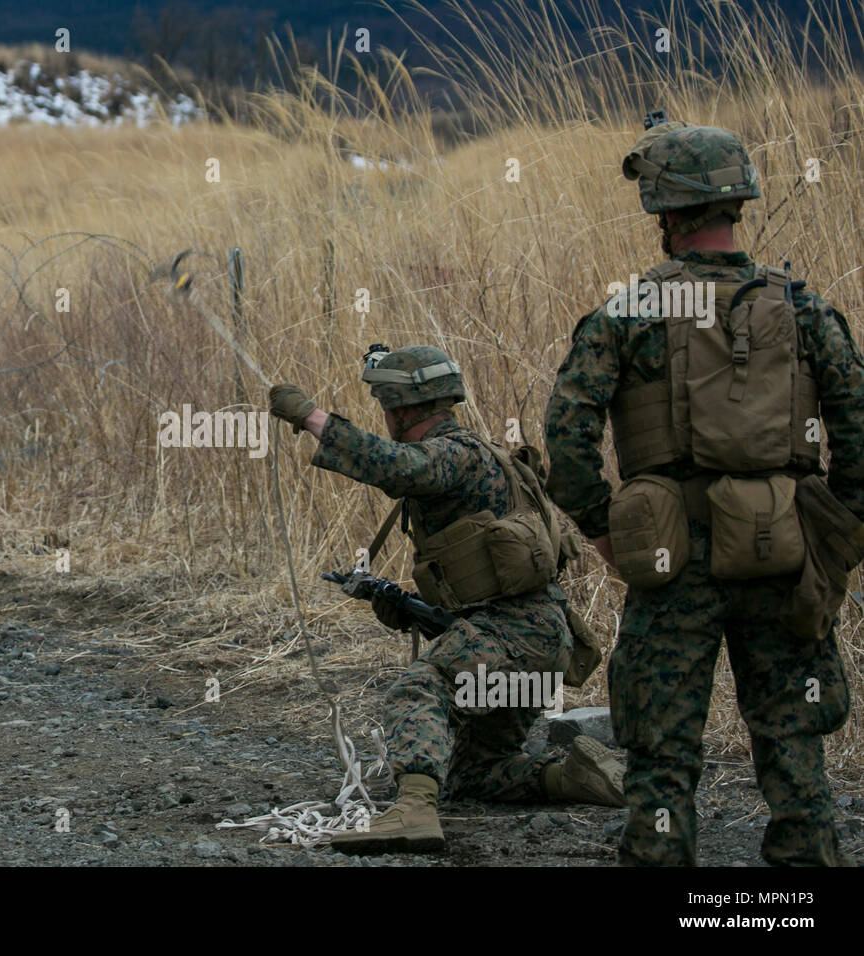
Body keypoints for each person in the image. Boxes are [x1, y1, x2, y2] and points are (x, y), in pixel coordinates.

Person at [544, 117, 864, 866]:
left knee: (661, 757)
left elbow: (567, 433)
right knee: (796, 757)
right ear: (735, 204)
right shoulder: (804, 308)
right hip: (783, 554)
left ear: (666, 213)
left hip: (669, 557)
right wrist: (838, 532)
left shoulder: (628, 313)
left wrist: (601, 529)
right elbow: (857, 421)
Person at [270, 345, 624, 855]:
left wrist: (310, 417)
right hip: (539, 645)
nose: (385, 417)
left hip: (513, 638)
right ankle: (571, 775)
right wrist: (406, 607)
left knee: (419, 689)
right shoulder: (483, 459)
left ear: (403, 409)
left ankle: (413, 813)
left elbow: (397, 468)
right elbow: (483, 592)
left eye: (386, 405)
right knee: (477, 774)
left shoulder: (454, 454)